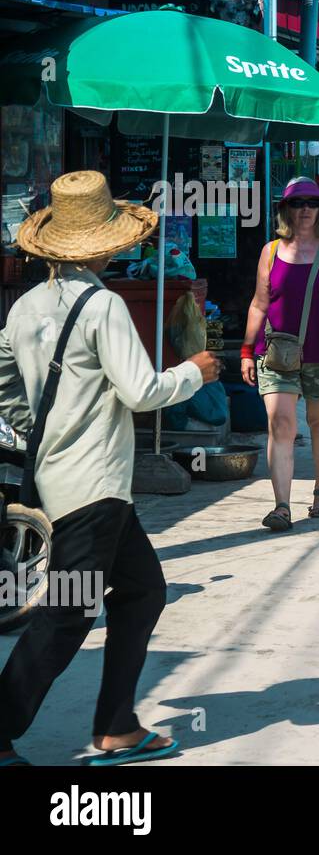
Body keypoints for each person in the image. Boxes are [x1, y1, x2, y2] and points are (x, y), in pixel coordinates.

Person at [0, 170, 221, 767]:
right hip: (96, 483)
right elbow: (143, 390)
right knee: (69, 612)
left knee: (144, 590)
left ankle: (118, 725)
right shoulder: (103, 305)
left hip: (71, 480)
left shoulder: (24, 308)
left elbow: (5, 387)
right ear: (105, 242)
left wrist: (40, 433)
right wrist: (196, 370)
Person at [242, 177, 319, 531]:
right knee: (280, 424)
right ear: (286, 210)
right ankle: (281, 506)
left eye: (313, 203)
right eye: (298, 203)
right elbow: (259, 303)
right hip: (278, 352)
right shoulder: (270, 251)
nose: (305, 209)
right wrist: (247, 350)